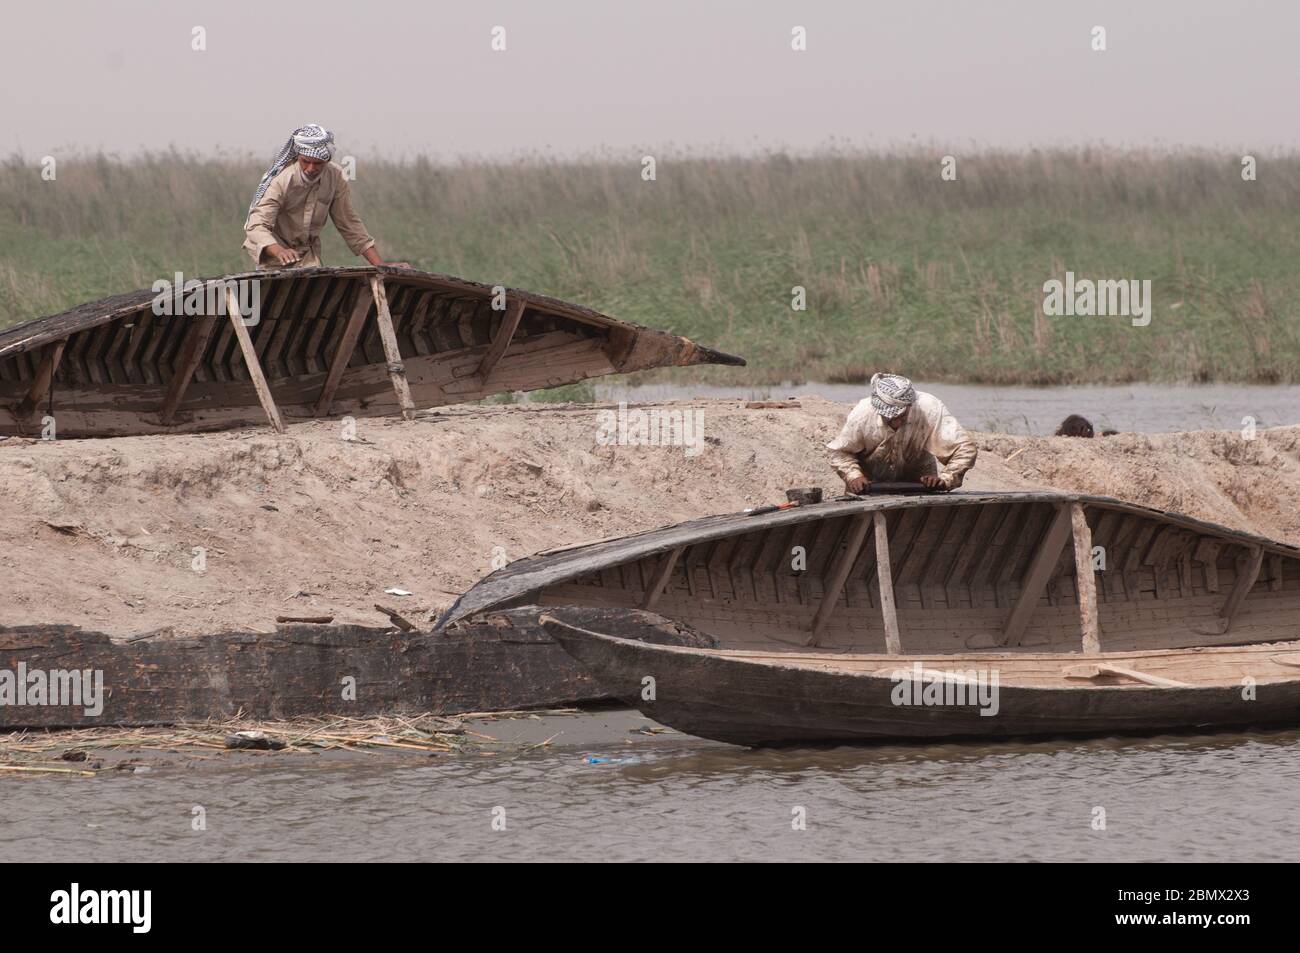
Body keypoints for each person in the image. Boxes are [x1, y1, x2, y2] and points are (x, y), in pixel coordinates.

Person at [242, 123, 407, 270]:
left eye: (318, 163)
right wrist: (279, 250)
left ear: (327, 159)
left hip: (307, 256)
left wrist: (379, 264)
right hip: (274, 257)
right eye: (306, 161)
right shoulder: (281, 180)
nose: (311, 168)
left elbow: (349, 223)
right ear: (298, 156)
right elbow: (256, 226)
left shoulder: (336, 177)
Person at [827, 372, 977, 493]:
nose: (897, 422)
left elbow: (965, 449)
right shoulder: (863, 413)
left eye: (902, 416)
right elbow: (839, 452)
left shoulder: (929, 408)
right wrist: (854, 476)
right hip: (868, 487)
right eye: (890, 418)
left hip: (919, 486)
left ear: (910, 405)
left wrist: (945, 479)